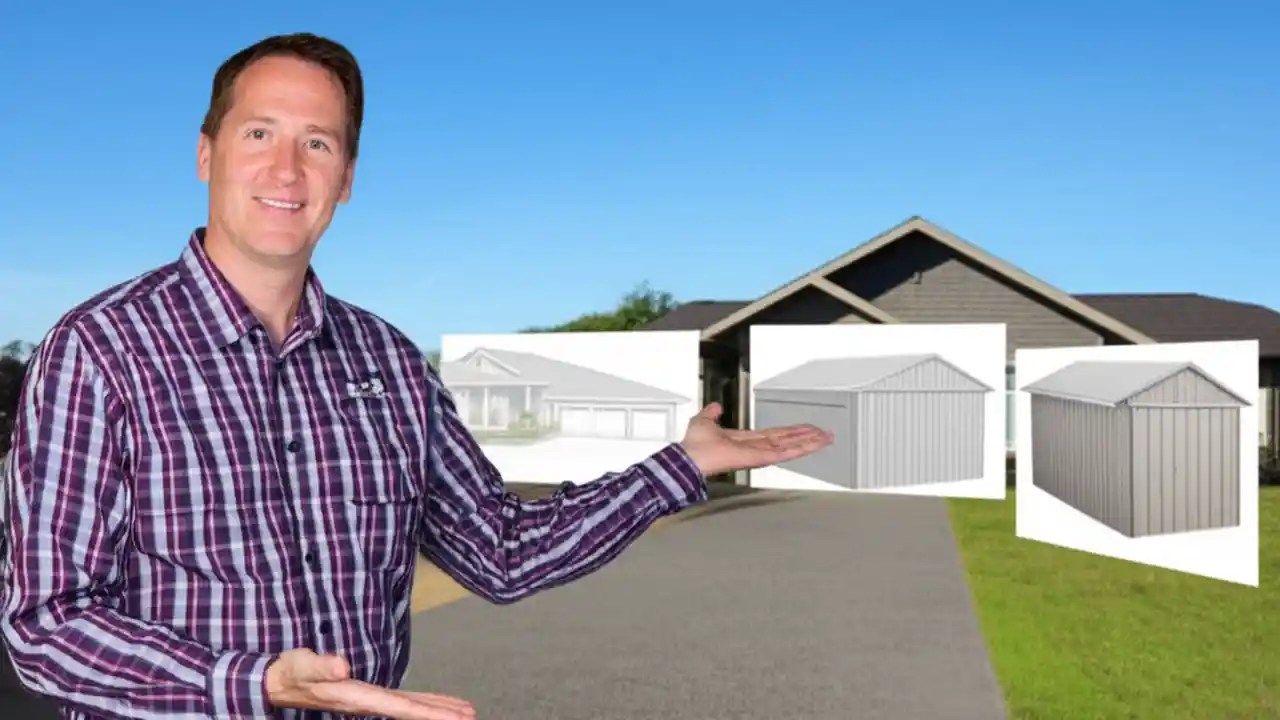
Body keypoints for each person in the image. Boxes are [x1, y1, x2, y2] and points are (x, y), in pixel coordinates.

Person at [0, 32, 832, 720]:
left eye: (317, 144)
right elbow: (45, 626)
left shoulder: (389, 364)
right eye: (260, 134)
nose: (287, 170)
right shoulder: (99, 350)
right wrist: (254, 682)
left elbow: (502, 552)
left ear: (347, 180)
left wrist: (678, 467)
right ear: (206, 155)